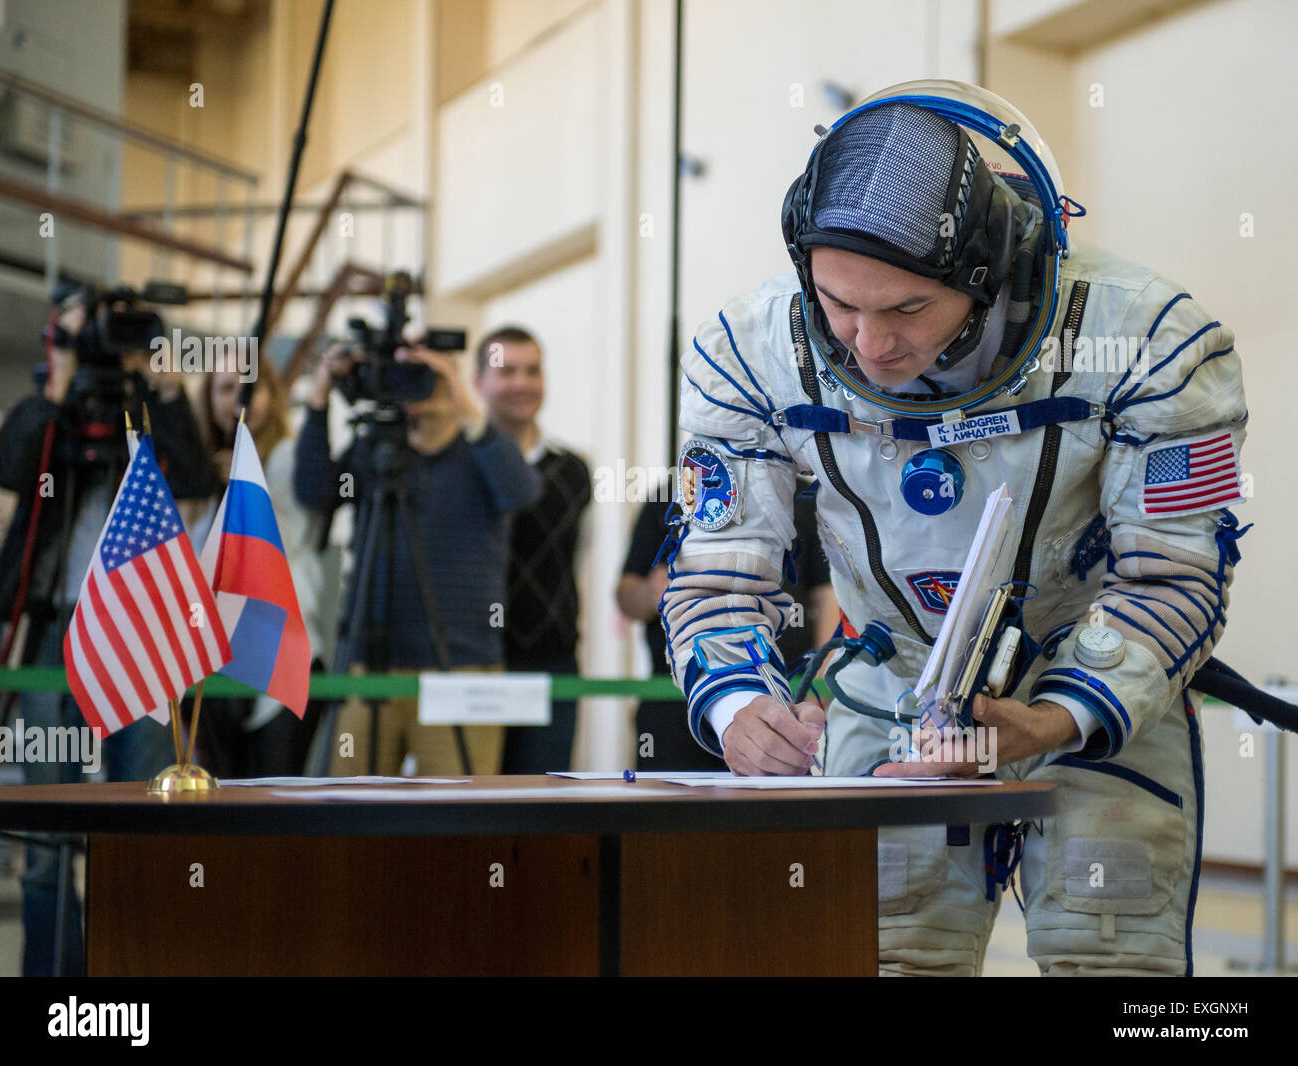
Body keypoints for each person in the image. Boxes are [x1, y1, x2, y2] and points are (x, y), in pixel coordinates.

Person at [660, 79, 1248, 977]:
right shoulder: (749, 352)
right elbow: (718, 567)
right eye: (837, 302)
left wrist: (1053, 719)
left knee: (1117, 971)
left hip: (1087, 682)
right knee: (882, 959)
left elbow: (1173, 575)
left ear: (998, 275)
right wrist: (741, 708)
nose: (866, 344)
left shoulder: (1152, 340)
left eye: (906, 310)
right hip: (892, 681)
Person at [0, 284, 216, 975]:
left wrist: (165, 386)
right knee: (47, 826)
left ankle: (138, 973)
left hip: (140, 629)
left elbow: (194, 477)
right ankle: (50, 978)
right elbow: (13, 467)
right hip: (50, 628)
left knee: (142, 816)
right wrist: (60, 376)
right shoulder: (47, 408)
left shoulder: (148, 406)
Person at [295, 340, 540, 776]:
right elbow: (312, 491)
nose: (417, 393)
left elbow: (521, 491)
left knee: (459, 818)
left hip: (463, 666)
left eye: (427, 378)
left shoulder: (481, 452)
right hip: (370, 663)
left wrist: (466, 404)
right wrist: (320, 396)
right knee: (350, 809)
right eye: (403, 379)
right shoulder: (374, 451)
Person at [620, 487, 836, 770]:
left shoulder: (800, 500)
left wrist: (818, 682)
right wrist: (652, 591)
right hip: (677, 699)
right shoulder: (668, 499)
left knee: (775, 804)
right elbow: (627, 592)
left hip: (781, 692)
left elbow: (828, 596)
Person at [190, 359, 328, 777]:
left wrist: (240, 480)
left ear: (272, 393)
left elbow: (280, 542)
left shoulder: (290, 457)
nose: (240, 398)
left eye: (251, 387)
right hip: (214, 661)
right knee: (222, 797)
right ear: (210, 399)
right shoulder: (198, 474)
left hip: (283, 650)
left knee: (278, 796)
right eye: (226, 388)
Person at [474, 326, 592, 773]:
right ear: (478, 382)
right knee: (470, 803)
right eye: (507, 371)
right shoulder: (460, 464)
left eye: (533, 371)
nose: (522, 383)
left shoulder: (574, 470)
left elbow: (577, 562)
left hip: (553, 664)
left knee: (545, 803)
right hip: (473, 665)